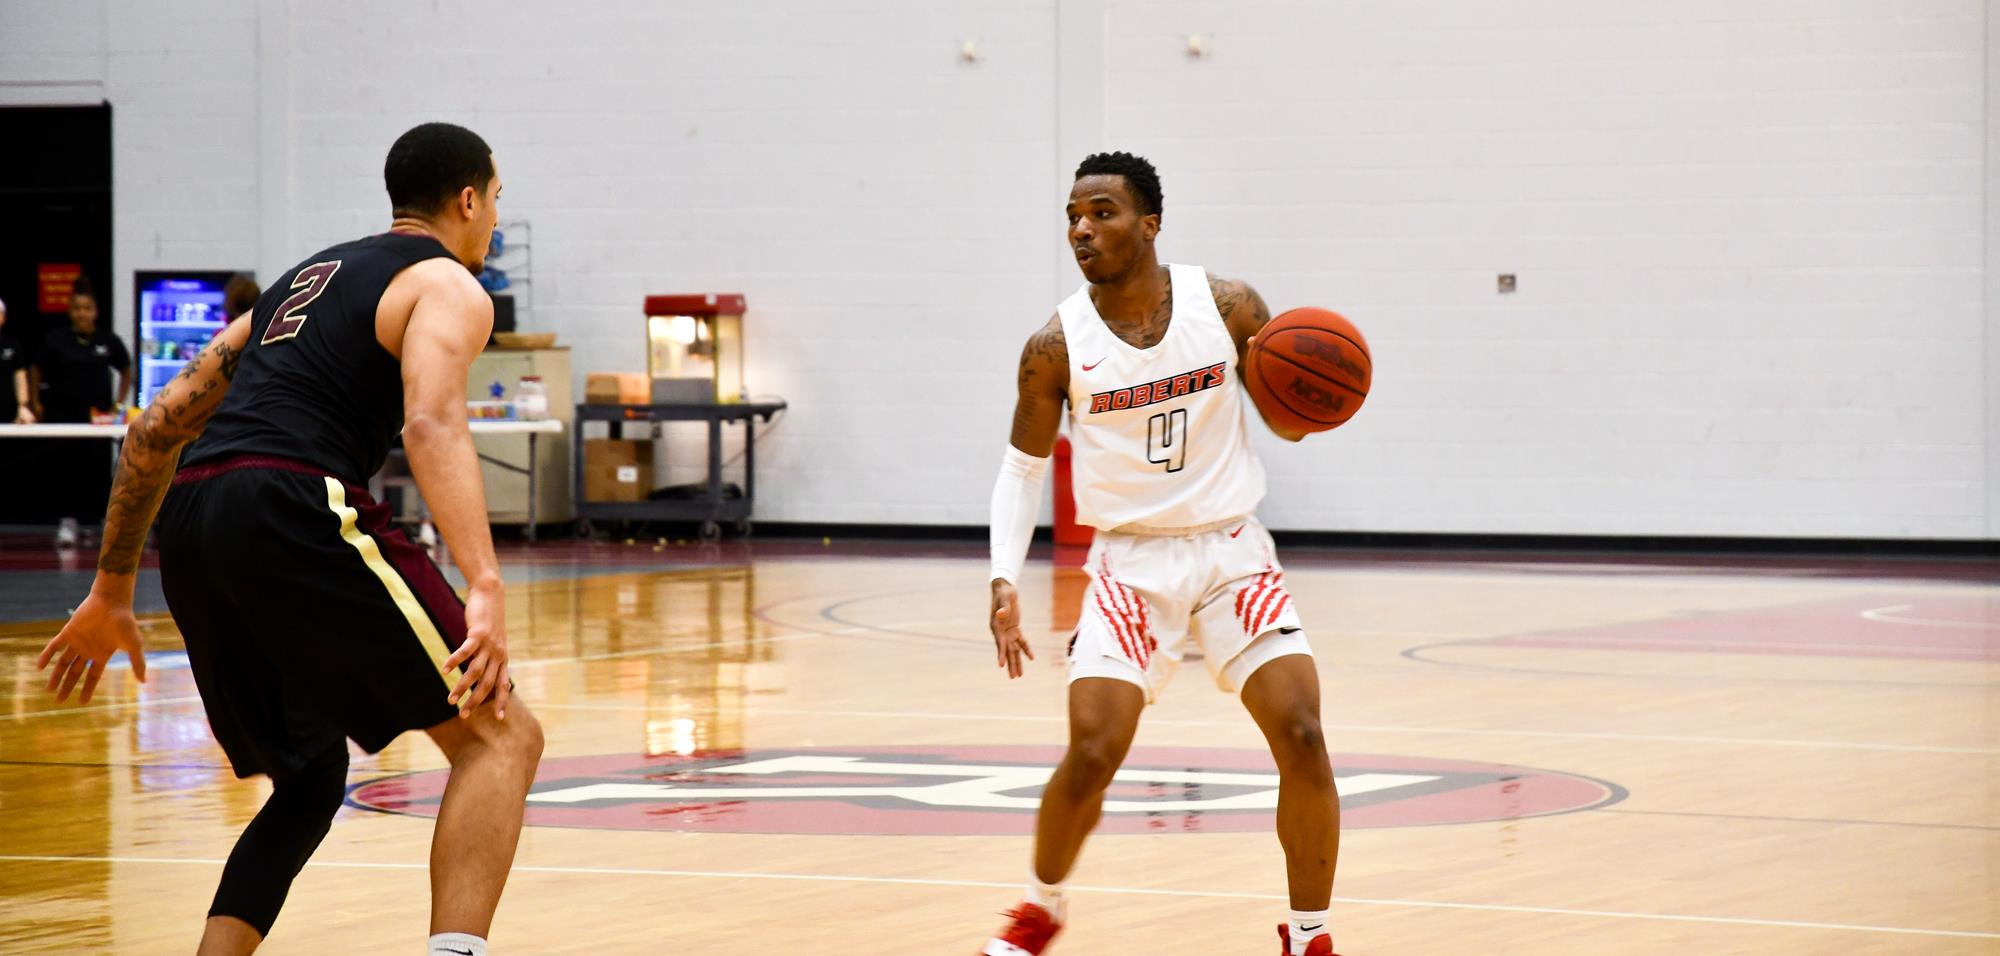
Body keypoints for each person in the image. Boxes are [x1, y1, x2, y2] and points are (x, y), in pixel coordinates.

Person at [36, 122, 542, 956]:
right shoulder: (448, 283)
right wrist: (483, 581)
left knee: (309, 778)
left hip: (195, 519)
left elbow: (155, 430)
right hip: (294, 499)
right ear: (468, 199)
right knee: (502, 735)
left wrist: (112, 589)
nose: (493, 222)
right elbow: (431, 418)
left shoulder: (299, 282)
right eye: (495, 202)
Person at [981, 152, 1342, 956]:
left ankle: (1310, 936)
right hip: (1128, 567)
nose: (1082, 228)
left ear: (1149, 224)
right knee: (1094, 750)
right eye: (1073, 215)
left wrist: (1311, 393)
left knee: (1304, 732)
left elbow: (1284, 422)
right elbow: (1022, 468)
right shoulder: (1055, 345)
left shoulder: (1228, 305)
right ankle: (1042, 907)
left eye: (1102, 212)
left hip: (1231, 553)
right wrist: (1005, 575)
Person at [30, 276, 133, 546]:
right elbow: (35, 369)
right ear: (70, 311)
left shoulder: (107, 341)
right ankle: (67, 522)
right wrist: (35, 402)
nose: (82, 313)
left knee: (98, 470)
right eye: (77, 308)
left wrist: (119, 405)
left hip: (97, 421)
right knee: (66, 469)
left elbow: (125, 369)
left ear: (95, 311)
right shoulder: (56, 340)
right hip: (63, 418)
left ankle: (98, 522)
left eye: (87, 308)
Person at [0, 296, 33, 424]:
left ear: (3, 318)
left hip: (8, 412)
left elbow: (19, 375)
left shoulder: (12, 346)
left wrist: (23, 406)